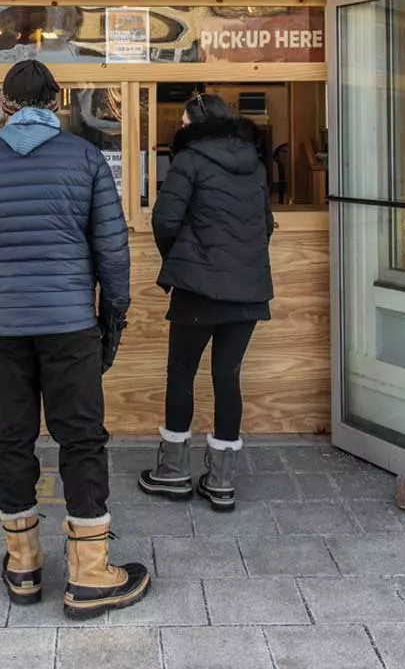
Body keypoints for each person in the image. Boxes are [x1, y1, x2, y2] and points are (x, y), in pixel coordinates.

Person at [0, 60, 149, 619]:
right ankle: (90, 574)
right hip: (69, 324)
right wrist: (114, 318)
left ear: (5, 104)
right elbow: (113, 250)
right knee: (80, 439)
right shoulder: (85, 160)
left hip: (0, 329)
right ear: (55, 103)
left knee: (13, 439)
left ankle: (24, 564)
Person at [137, 92, 275, 511]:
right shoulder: (254, 164)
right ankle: (221, 482)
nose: (179, 126)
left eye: (182, 120)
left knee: (181, 372)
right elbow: (266, 224)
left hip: (198, 289)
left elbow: (164, 219)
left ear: (195, 123)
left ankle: (173, 472)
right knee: (227, 376)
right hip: (248, 290)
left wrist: (182, 260)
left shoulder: (189, 159)